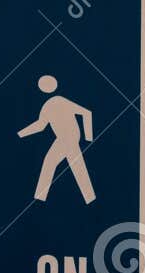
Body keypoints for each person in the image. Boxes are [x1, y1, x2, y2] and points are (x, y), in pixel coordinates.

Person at [19, 74, 96, 204]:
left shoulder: (59, 101)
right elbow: (40, 125)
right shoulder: (47, 106)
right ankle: (89, 198)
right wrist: (21, 134)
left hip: (69, 138)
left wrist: (89, 138)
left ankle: (40, 197)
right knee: (74, 165)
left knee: (54, 163)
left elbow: (86, 113)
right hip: (64, 139)